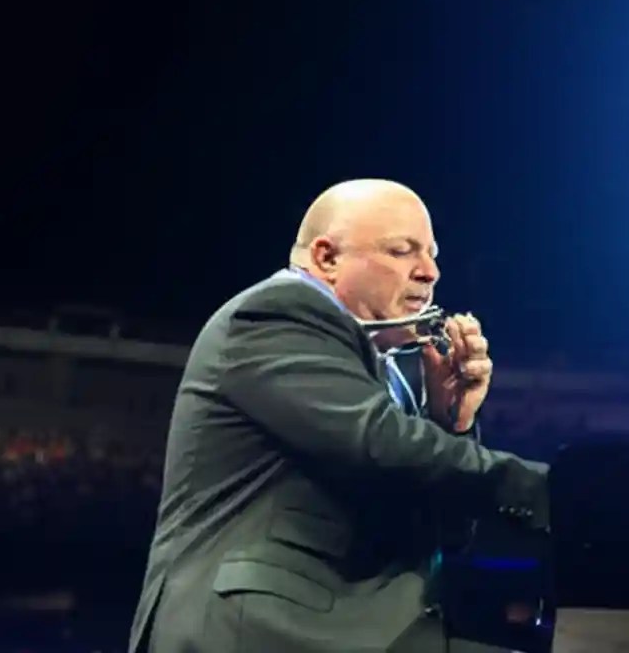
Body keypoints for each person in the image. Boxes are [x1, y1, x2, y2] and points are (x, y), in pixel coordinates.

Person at [128, 179, 549, 653]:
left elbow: (445, 533)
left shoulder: (381, 367)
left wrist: (450, 422)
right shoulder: (280, 312)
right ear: (327, 258)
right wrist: (562, 495)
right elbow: (382, 444)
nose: (429, 272)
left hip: (347, 628)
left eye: (431, 254)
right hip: (263, 629)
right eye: (401, 251)